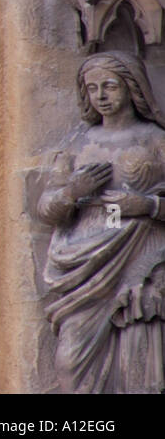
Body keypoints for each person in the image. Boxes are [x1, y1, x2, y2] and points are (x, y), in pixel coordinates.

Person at [38, 50, 165, 392]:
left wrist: (147, 205)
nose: (101, 96)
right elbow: (48, 206)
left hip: (141, 259)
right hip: (83, 262)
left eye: (110, 86)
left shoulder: (156, 140)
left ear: (131, 86)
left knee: (139, 362)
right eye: (92, 89)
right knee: (69, 361)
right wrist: (72, 192)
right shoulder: (79, 144)